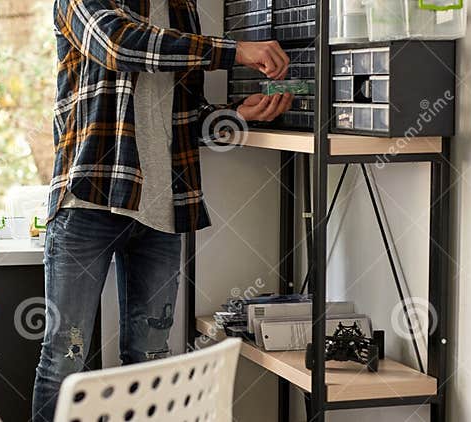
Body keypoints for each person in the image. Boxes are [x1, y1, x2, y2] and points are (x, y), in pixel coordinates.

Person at [33, 0, 294, 419]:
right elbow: (119, 45)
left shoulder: (181, 9)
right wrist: (234, 51)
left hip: (163, 210)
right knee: (65, 360)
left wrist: (233, 116)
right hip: (89, 202)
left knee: (149, 362)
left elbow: (181, 118)